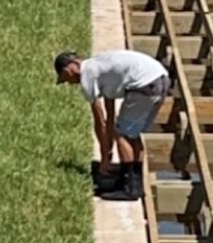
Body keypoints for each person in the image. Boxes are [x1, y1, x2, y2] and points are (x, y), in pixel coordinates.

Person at [53, 47, 170, 196]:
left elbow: (99, 120)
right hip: (160, 78)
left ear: (71, 66)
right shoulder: (101, 68)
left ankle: (129, 189)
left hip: (144, 84)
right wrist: (106, 154)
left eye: (65, 77)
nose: (69, 82)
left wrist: (104, 160)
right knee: (132, 134)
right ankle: (135, 183)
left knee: (122, 134)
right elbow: (109, 116)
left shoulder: (86, 75)